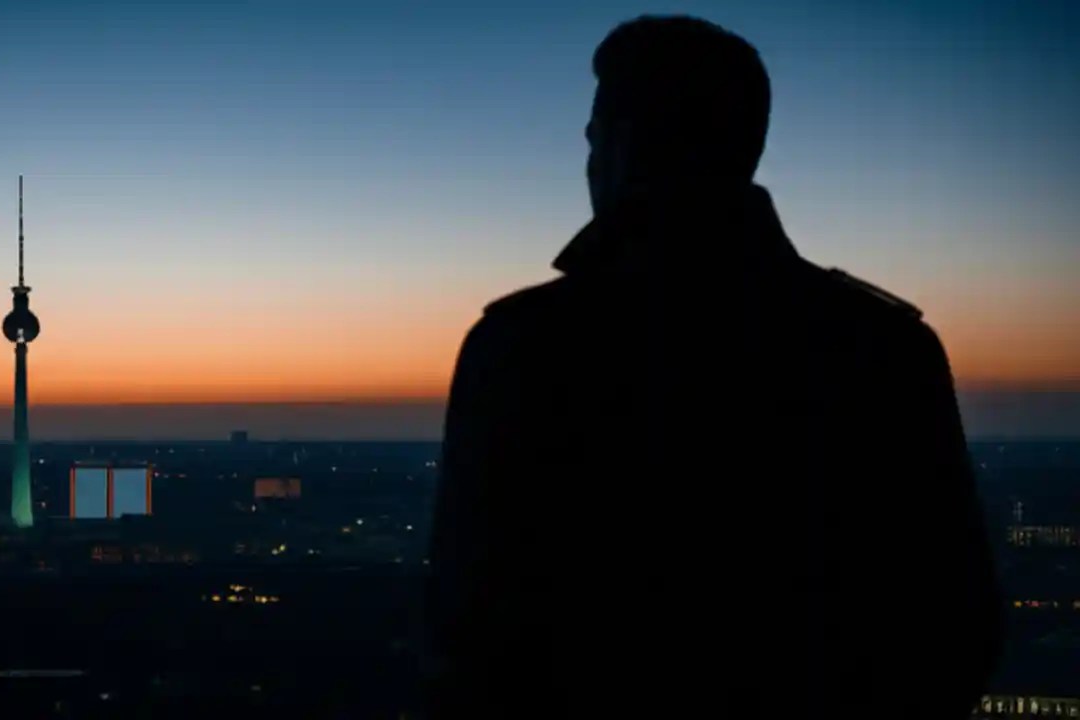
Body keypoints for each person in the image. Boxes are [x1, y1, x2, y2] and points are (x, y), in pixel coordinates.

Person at [425, 15, 1001, 719]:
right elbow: (953, 625)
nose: (589, 161)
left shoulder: (527, 347)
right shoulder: (881, 345)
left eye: (594, 137)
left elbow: (470, 624)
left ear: (623, 145)